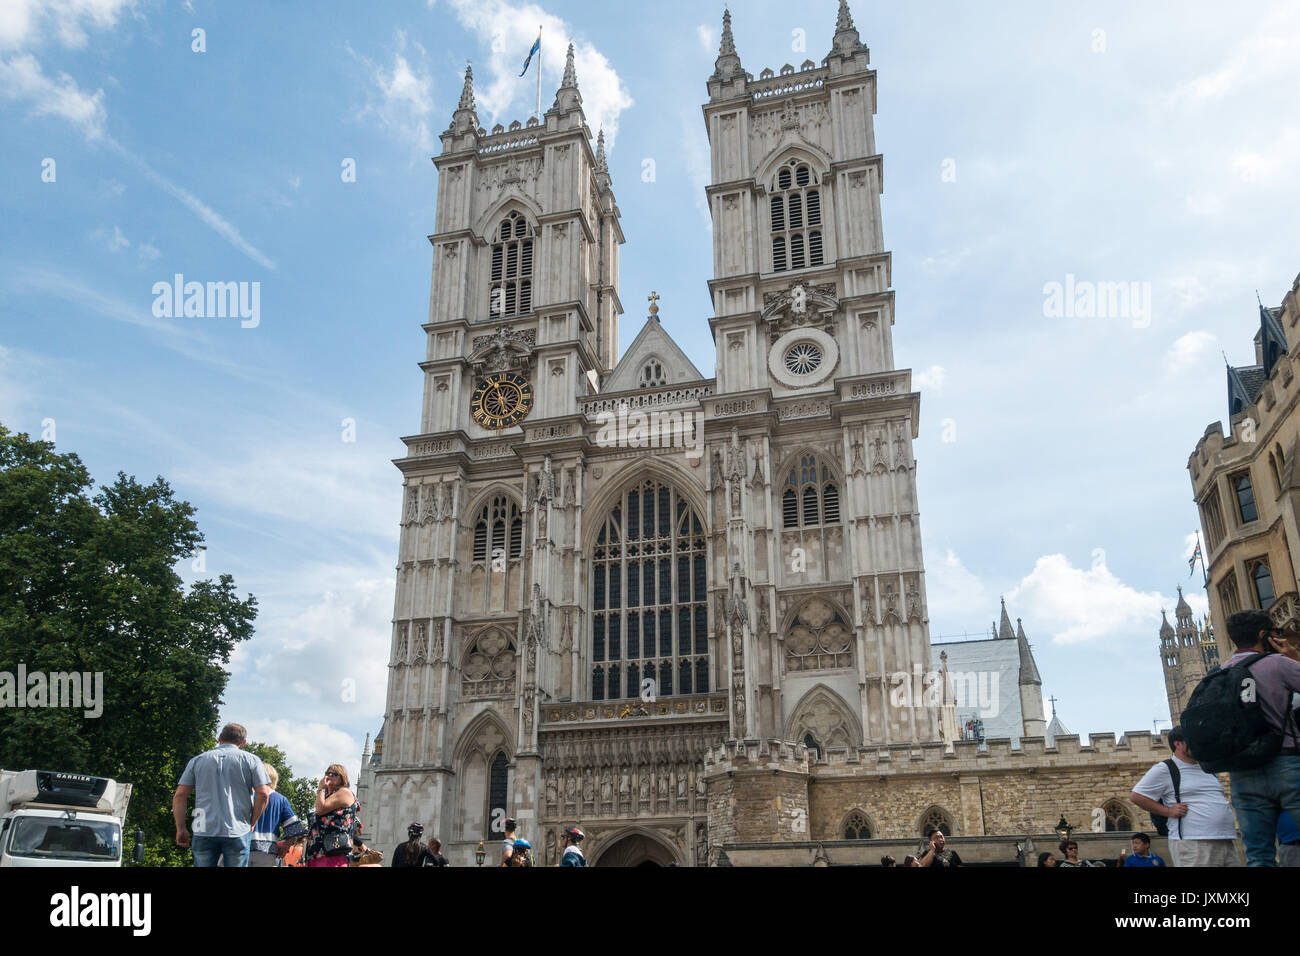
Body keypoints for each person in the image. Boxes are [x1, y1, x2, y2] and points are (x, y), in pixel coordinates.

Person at [1203, 610, 1300, 866]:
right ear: (1263, 635)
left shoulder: (1218, 673)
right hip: (1286, 763)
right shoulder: (1278, 664)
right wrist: (1294, 657)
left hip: (1243, 772)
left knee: (1258, 856)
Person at [1130, 726, 1239, 867]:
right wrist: (1168, 811)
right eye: (1194, 740)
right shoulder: (1166, 768)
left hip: (1226, 840)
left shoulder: (1208, 768)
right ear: (1178, 744)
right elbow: (1137, 796)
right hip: (1193, 843)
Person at [172, 722, 272, 867]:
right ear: (243, 743)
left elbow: (180, 795)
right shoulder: (251, 760)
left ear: (219, 737)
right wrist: (253, 821)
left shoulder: (198, 760)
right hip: (237, 828)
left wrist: (181, 828)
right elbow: (263, 794)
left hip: (203, 828)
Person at [304, 763, 358, 868]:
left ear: (342, 778)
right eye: (327, 773)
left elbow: (320, 810)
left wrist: (320, 789)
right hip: (318, 853)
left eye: (334, 774)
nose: (329, 776)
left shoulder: (344, 792)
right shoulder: (327, 796)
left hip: (334, 852)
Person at [249, 763, 300, 868]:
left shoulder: (247, 794)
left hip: (242, 845)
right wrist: (285, 847)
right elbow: (294, 827)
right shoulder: (281, 800)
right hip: (267, 852)